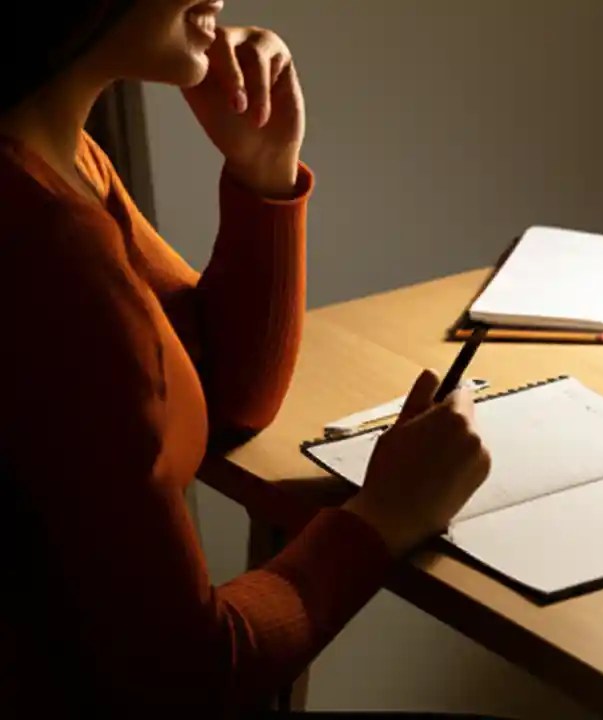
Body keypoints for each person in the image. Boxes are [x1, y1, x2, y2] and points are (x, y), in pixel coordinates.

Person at [0, 0, 491, 713]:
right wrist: (384, 517)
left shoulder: (54, 153)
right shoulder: (40, 245)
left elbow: (226, 394)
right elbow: (190, 671)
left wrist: (264, 167)